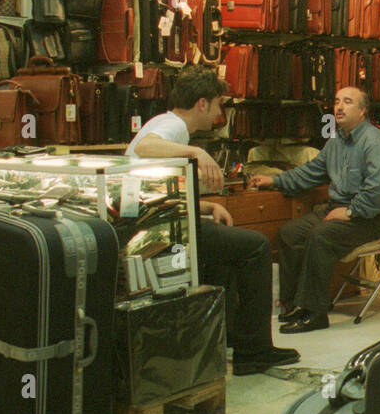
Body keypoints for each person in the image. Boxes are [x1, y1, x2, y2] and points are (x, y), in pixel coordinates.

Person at [127, 67, 299, 373]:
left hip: (157, 223)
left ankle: (229, 337)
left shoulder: (166, 122)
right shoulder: (174, 126)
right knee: (256, 247)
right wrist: (196, 152)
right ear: (202, 103)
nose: (219, 113)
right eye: (218, 104)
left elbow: (155, 188)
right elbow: (145, 147)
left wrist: (205, 207)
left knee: (228, 249)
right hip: (158, 232)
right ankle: (254, 350)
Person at [250, 86, 380, 334]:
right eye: (337, 101)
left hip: (374, 215)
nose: (339, 107)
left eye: (348, 102)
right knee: (289, 233)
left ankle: (315, 313)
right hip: (340, 208)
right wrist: (274, 180)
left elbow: (378, 190)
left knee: (321, 236)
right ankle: (294, 304)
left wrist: (351, 212)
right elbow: (312, 172)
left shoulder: (375, 142)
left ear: (363, 110)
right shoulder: (336, 139)